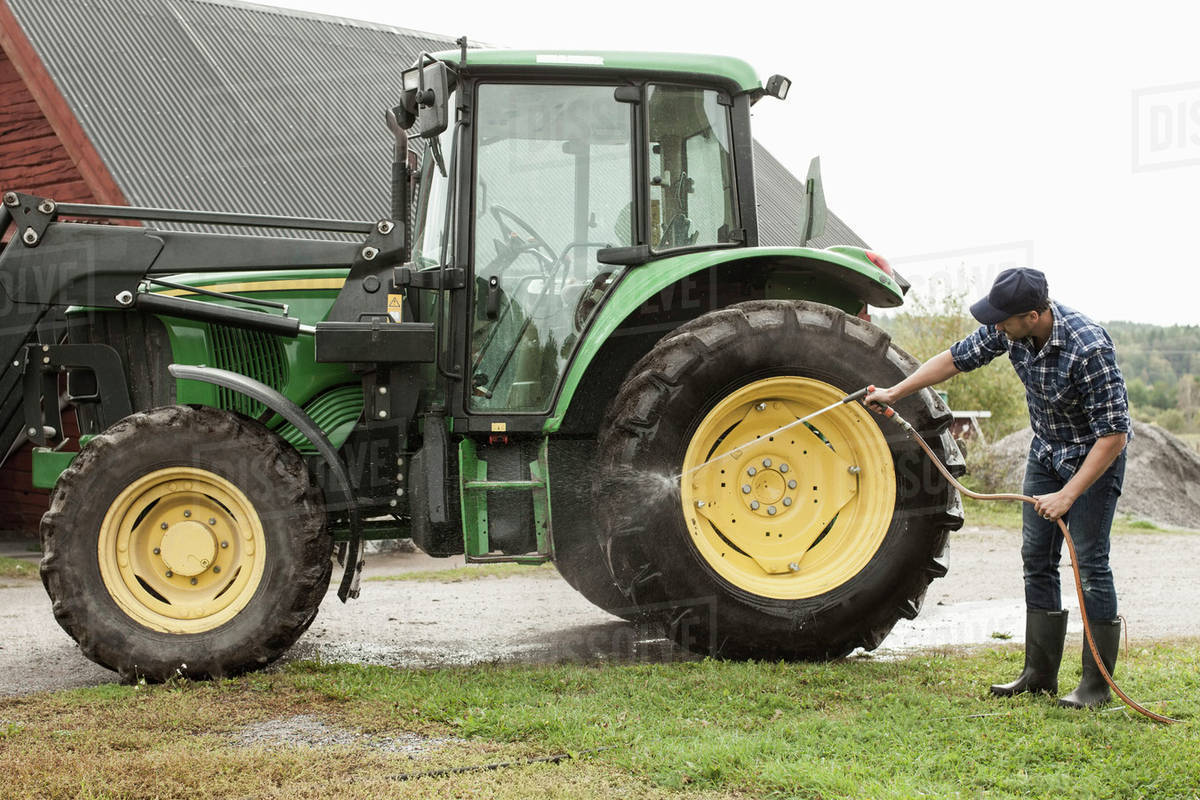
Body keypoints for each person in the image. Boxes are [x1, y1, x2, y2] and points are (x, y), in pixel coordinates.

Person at [864, 268, 1131, 709]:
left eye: (1004, 319)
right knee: (1036, 559)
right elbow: (954, 359)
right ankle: (1038, 674)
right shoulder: (1009, 332)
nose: (996, 327)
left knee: (1090, 565)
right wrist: (896, 390)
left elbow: (1115, 435)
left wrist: (1068, 495)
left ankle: (1095, 686)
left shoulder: (1089, 348)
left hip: (1092, 460)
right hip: (1046, 453)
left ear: (1031, 315)